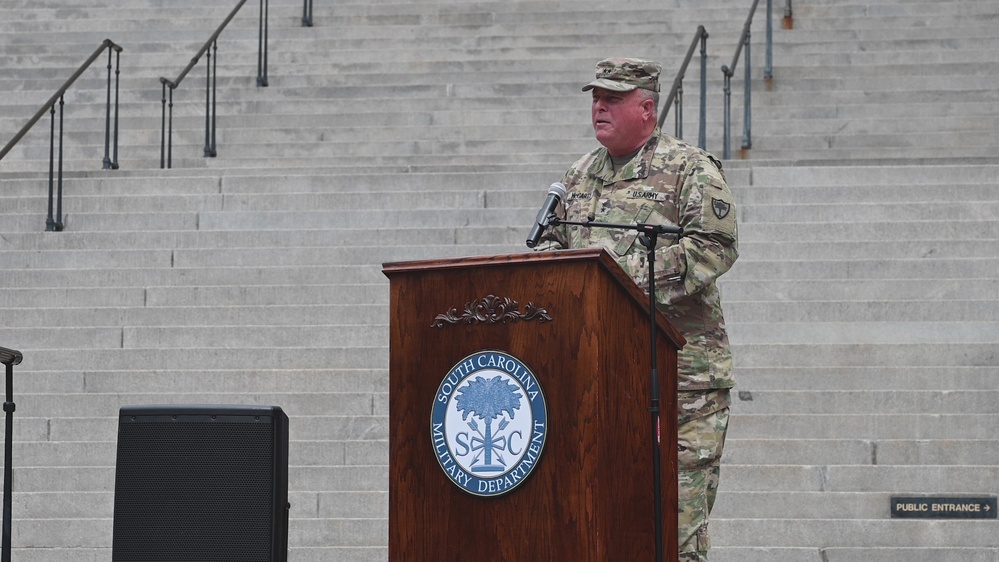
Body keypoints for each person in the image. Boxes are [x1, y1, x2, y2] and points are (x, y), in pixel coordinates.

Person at [534, 58, 739, 561]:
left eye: (612, 99)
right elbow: (551, 249)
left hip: (682, 379)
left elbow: (715, 245)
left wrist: (620, 282)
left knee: (676, 527)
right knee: (608, 521)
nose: (598, 107)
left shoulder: (690, 169)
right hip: (600, 378)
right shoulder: (578, 175)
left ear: (646, 108)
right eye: (594, 98)